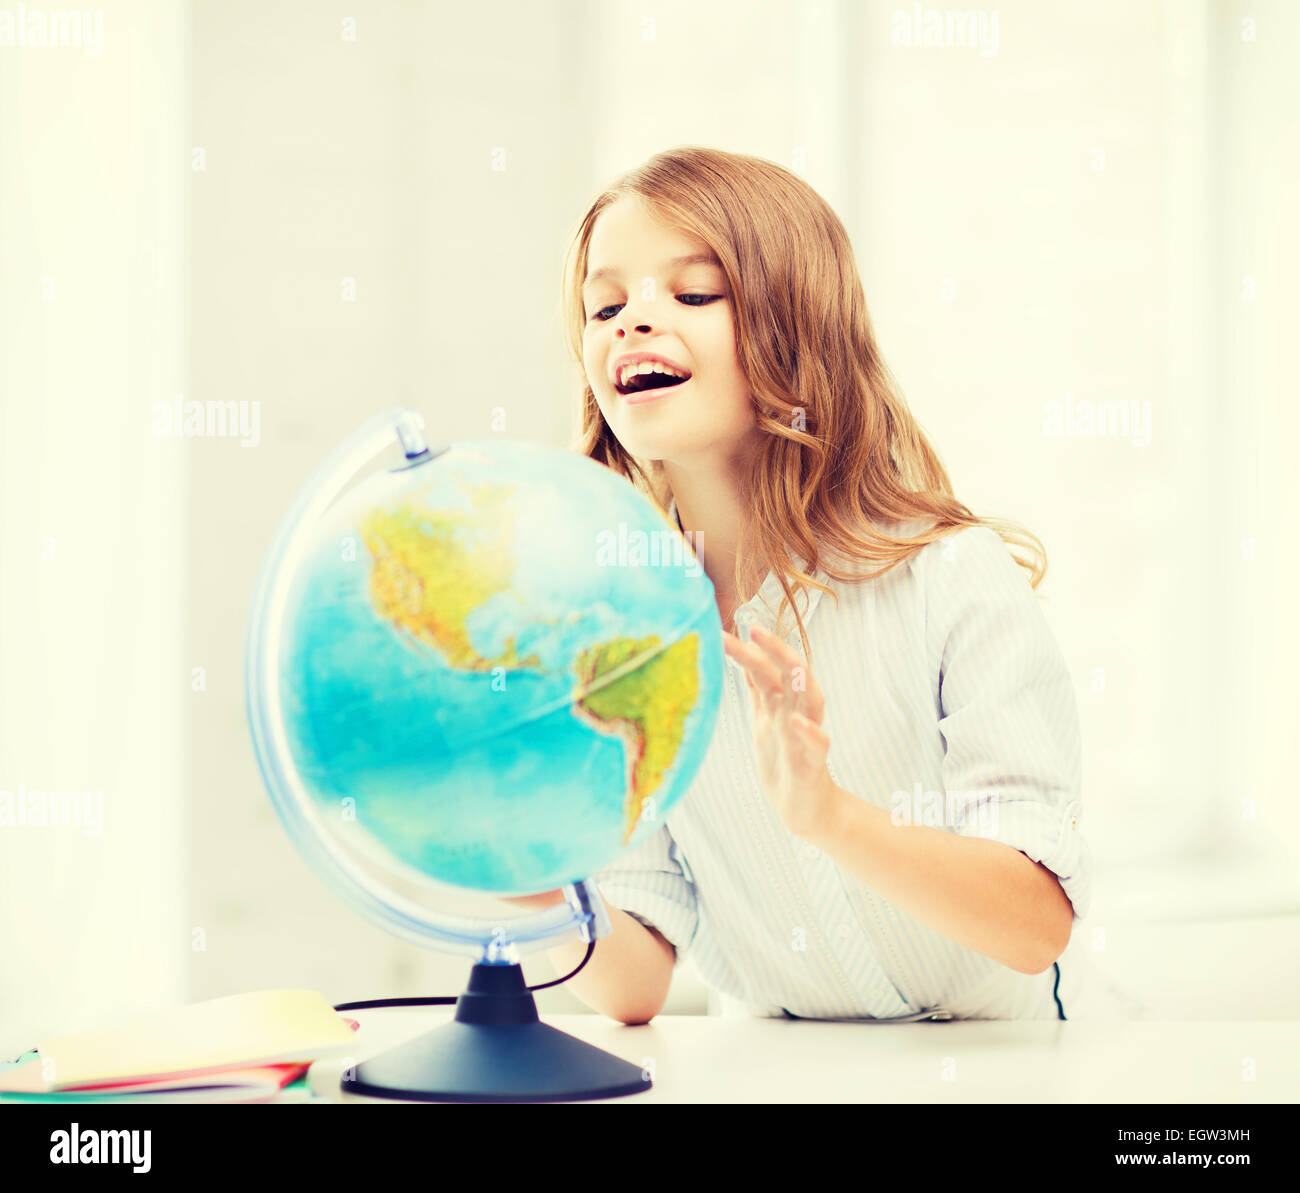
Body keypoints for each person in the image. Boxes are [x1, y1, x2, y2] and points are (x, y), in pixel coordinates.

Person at [523, 145, 1146, 1023]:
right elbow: (633, 985)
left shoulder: (949, 578)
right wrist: (521, 869)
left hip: (1015, 1061)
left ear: (797, 328)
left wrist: (826, 814)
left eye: (694, 293)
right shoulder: (620, 642)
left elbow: (1034, 924)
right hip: (786, 1071)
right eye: (605, 306)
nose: (632, 323)